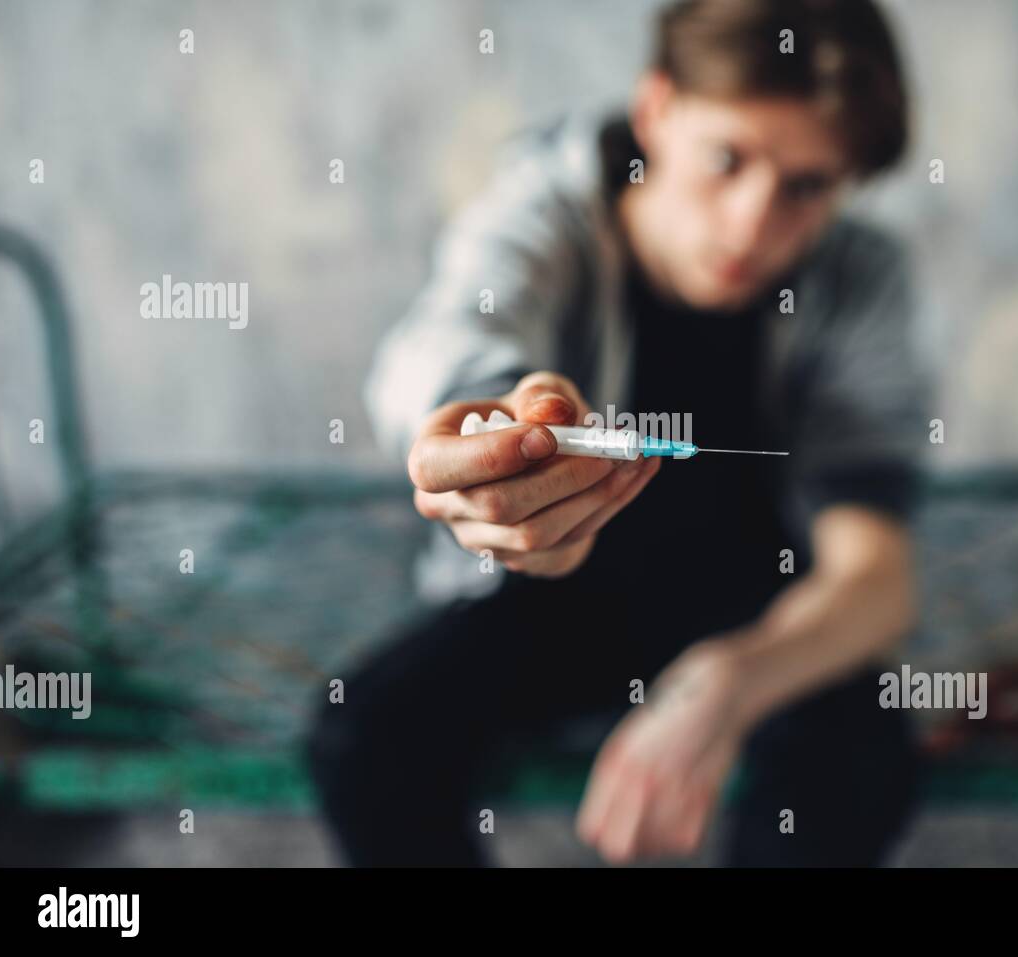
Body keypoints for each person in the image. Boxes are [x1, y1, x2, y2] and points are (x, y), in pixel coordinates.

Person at [307, 0, 926, 867]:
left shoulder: (859, 278)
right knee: (365, 737)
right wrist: (494, 457)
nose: (752, 223)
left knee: (859, 761)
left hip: (762, 604)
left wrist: (729, 683)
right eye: (727, 159)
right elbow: (447, 352)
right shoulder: (545, 220)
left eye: (807, 184)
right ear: (656, 110)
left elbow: (875, 578)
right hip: (542, 608)